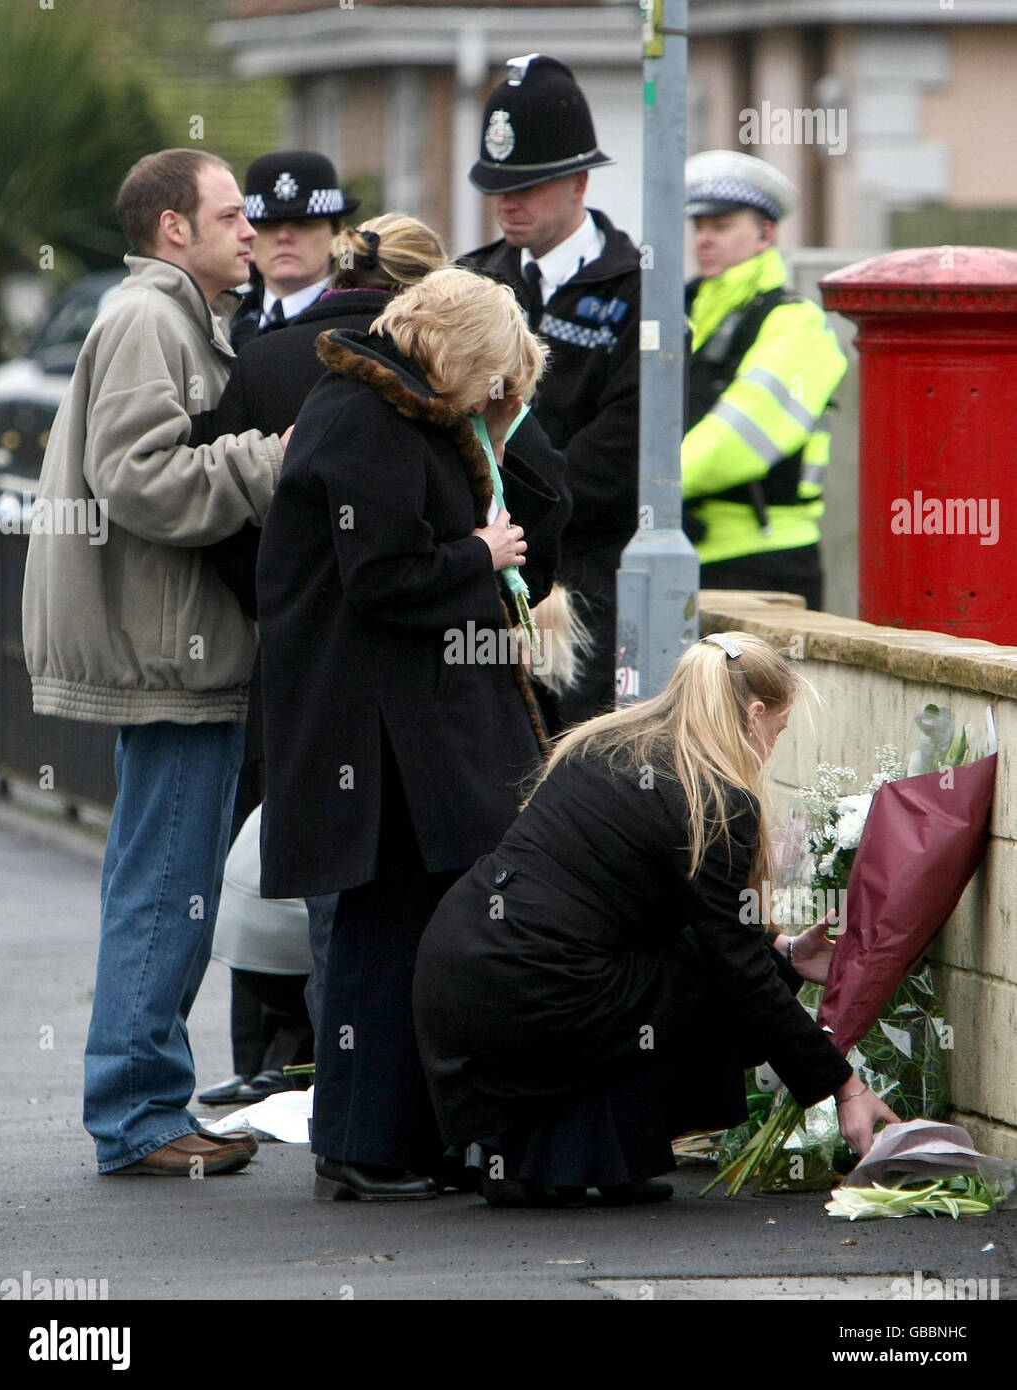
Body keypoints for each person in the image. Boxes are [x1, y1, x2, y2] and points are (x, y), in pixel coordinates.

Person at [256, 267, 572, 1200]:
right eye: (493, 378)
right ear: (458, 354)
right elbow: (382, 578)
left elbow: (533, 510)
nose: (494, 397)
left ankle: (410, 1138)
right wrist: (480, 553)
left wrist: (501, 437)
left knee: (416, 928)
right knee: (382, 935)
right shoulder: (366, 415)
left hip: (402, 726)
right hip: (374, 738)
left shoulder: (396, 408)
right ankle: (362, 1146)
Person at [413, 631, 899, 1206]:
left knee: (698, 966)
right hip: (539, 989)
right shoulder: (713, 798)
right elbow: (735, 966)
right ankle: (587, 1157)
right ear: (755, 713)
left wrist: (784, 949)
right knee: (721, 981)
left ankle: (569, 1159)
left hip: (465, 965)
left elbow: (679, 915)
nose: (773, 744)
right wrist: (845, 1087)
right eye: (779, 729)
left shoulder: (605, 744)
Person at [22, 149, 288, 1176]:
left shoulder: (175, 316)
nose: (252, 230)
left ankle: (147, 1104)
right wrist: (275, 456)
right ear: (173, 228)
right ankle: (138, 1116)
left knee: (167, 883)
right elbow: (140, 479)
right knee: (165, 887)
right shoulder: (150, 318)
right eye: (230, 214)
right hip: (171, 661)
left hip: (176, 652)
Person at [198, 215, 450, 1108]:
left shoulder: (269, 359)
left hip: (296, 669)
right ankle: (355, 1110)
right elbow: (390, 568)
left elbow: (231, 536)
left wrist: (280, 613)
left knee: (322, 894)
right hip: (385, 688)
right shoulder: (395, 388)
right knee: (370, 908)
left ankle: (288, 1070)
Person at [462, 54, 640, 728]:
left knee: (578, 762)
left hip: (590, 583)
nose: (508, 203)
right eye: (498, 185)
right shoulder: (469, 284)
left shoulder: (639, 294)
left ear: (579, 182)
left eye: (529, 185)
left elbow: (629, 448)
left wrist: (524, 505)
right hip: (483, 575)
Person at [683, 150, 848, 611]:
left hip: (762, 559)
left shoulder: (796, 322)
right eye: (699, 226)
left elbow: (739, 435)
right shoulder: (684, 310)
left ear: (766, 234)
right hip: (685, 547)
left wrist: (644, 490)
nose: (704, 239)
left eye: (721, 226)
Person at [230, 149, 359, 350]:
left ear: (336, 236)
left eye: (302, 224)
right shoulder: (223, 325)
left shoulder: (360, 326)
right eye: (269, 225)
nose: (284, 236)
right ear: (248, 240)